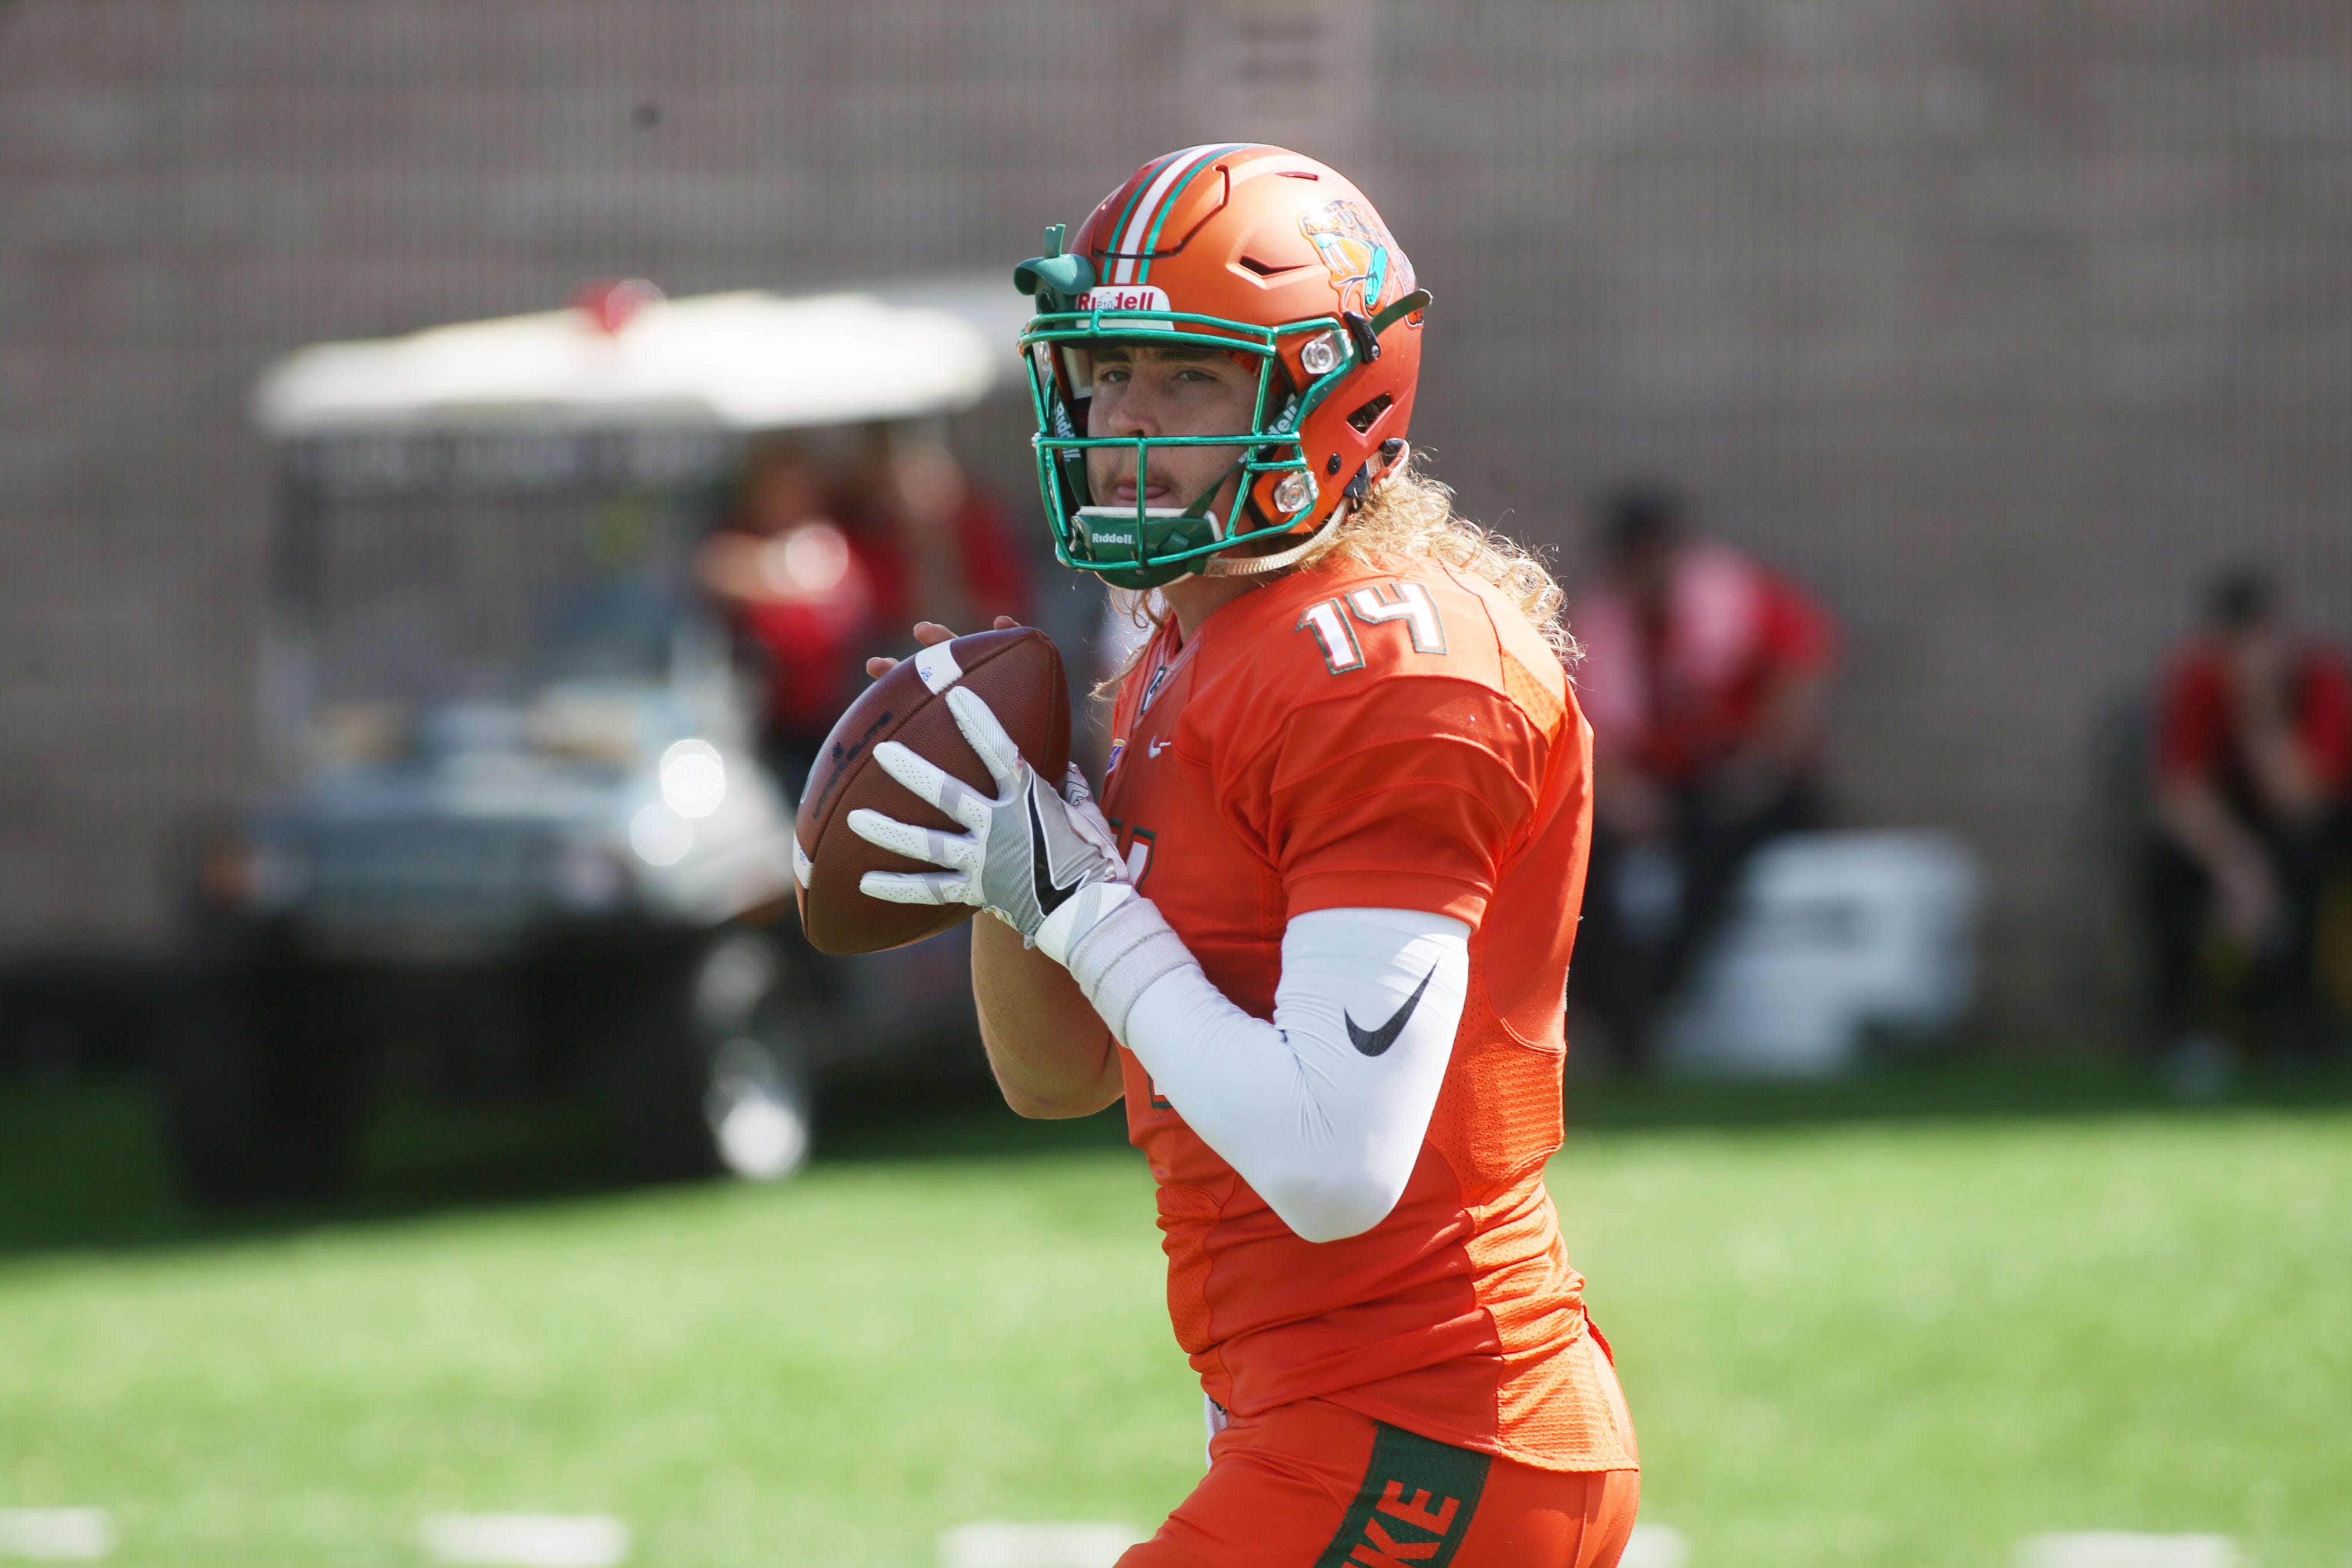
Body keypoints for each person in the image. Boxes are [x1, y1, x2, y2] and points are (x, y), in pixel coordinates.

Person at [848, 146, 1639, 1567]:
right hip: (1344, 1428)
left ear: (1332, 400)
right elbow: (1057, 1076)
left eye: (1188, 380)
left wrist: (1078, 903)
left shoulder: (1390, 667)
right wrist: (1005, 849)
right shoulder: (1180, 651)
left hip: (1434, 1436)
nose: (1124, 427)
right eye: (1105, 376)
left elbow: (1337, 1161)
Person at [1567, 483, 1838, 1071]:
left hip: (1748, 781)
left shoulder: (1736, 596)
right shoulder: (1602, 624)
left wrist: (1762, 766)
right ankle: (1613, 1007)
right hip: (1661, 788)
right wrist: (1622, 799)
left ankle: (1652, 1001)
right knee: (1578, 858)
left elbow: (1803, 666)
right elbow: (1588, 730)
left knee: (1715, 850)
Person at [2147, 567, 2351, 1089]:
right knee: (2161, 864)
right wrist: (2240, 865)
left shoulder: (2321, 679)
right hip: (2233, 837)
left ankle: (2295, 1027)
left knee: (2303, 859)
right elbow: (2181, 791)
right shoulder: (2197, 678)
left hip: (2311, 829)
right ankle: (2179, 1027)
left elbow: (2302, 800)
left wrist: (2260, 709)